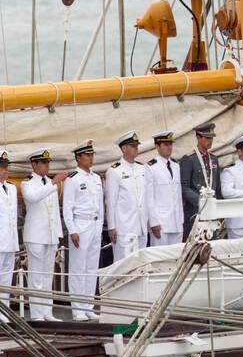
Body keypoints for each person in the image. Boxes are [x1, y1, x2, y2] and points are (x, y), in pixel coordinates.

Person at [22, 149, 67, 322]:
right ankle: (36, 313)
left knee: (48, 275)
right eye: (43, 163)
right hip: (35, 235)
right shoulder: (28, 183)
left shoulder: (50, 182)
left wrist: (57, 233)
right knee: (36, 275)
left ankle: (47, 311)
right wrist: (53, 183)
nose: (47, 166)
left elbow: (54, 211)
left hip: (50, 234)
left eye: (48, 163)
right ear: (34, 164)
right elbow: (32, 198)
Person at [62, 140, 104, 321]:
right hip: (80, 224)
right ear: (78, 158)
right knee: (78, 267)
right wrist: (72, 230)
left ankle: (88, 306)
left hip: (95, 225)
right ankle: (77, 308)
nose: (91, 158)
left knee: (91, 267)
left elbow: (101, 205)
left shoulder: (95, 178)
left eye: (92, 155)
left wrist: (101, 226)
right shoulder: (73, 179)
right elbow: (67, 207)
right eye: (87, 155)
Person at [105, 132, 152, 263]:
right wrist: (112, 227)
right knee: (124, 265)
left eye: (136, 145)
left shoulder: (142, 168)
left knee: (139, 265)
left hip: (141, 227)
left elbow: (146, 198)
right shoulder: (114, 171)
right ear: (124, 148)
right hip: (124, 227)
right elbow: (110, 202)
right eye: (133, 145)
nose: (136, 148)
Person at [179, 122, 223, 240]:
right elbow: (184, 187)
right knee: (196, 249)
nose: (210, 141)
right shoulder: (188, 159)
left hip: (212, 213)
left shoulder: (214, 159)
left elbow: (217, 187)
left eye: (212, 138)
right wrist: (200, 200)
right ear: (198, 137)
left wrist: (220, 209)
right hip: (195, 212)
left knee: (212, 246)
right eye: (207, 138)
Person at [146, 130, 183, 246]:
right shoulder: (150, 167)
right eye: (165, 144)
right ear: (157, 146)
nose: (169, 147)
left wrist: (181, 220)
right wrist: (153, 222)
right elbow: (149, 197)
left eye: (170, 144)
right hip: (160, 223)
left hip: (176, 221)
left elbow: (178, 195)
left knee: (176, 257)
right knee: (159, 259)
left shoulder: (176, 166)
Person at [0, 149, 18, 311]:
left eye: (6, 166)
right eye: (1, 167)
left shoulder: (11, 188)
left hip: (10, 241)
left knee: (6, 279)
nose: (4, 170)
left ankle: (4, 313)